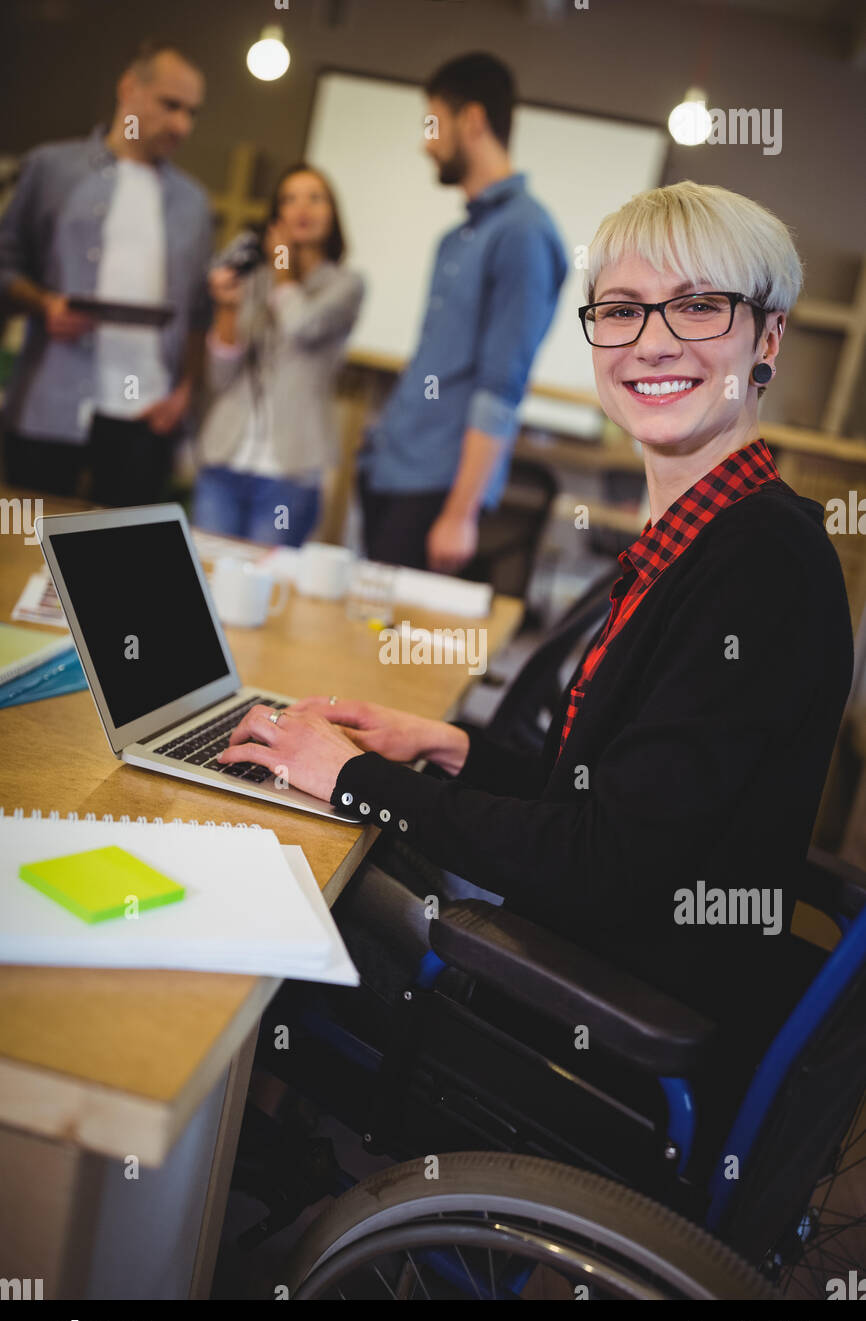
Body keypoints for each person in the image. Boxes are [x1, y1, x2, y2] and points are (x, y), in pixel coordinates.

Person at [217, 182, 853, 1050]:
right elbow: (608, 797)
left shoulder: (761, 565)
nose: (652, 342)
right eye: (623, 310)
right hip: (597, 945)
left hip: (610, 1007)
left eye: (699, 307)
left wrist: (355, 779)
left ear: (768, 336)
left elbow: (603, 864)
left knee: (276, 903)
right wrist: (451, 747)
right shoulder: (706, 534)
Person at [357, 52, 567, 573]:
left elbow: (500, 386)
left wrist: (460, 512)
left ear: (472, 121)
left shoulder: (524, 233)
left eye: (433, 124)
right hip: (394, 468)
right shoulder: (457, 238)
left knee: (398, 652)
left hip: (438, 489)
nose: (425, 142)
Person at [0, 41, 211, 504]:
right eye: (170, 105)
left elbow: (199, 311)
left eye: (192, 113)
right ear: (129, 88)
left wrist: (186, 392)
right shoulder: (52, 168)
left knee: (121, 565)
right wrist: (44, 303)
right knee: (27, 551)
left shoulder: (193, 202)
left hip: (146, 416)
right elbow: (5, 262)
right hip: (52, 403)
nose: (182, 125)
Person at [193, 164, 364, 547]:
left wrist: (282, 269)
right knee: (204, 577)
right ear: (276, 217)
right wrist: (227, 306)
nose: (302, 208)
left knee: (264, 591)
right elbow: (220, 375)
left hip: (290, 471)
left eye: (315, 198)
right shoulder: (255, 279)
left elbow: (303, 325)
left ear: (333, 213)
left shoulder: (345, 285)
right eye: (290, 199)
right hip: (225, 460)